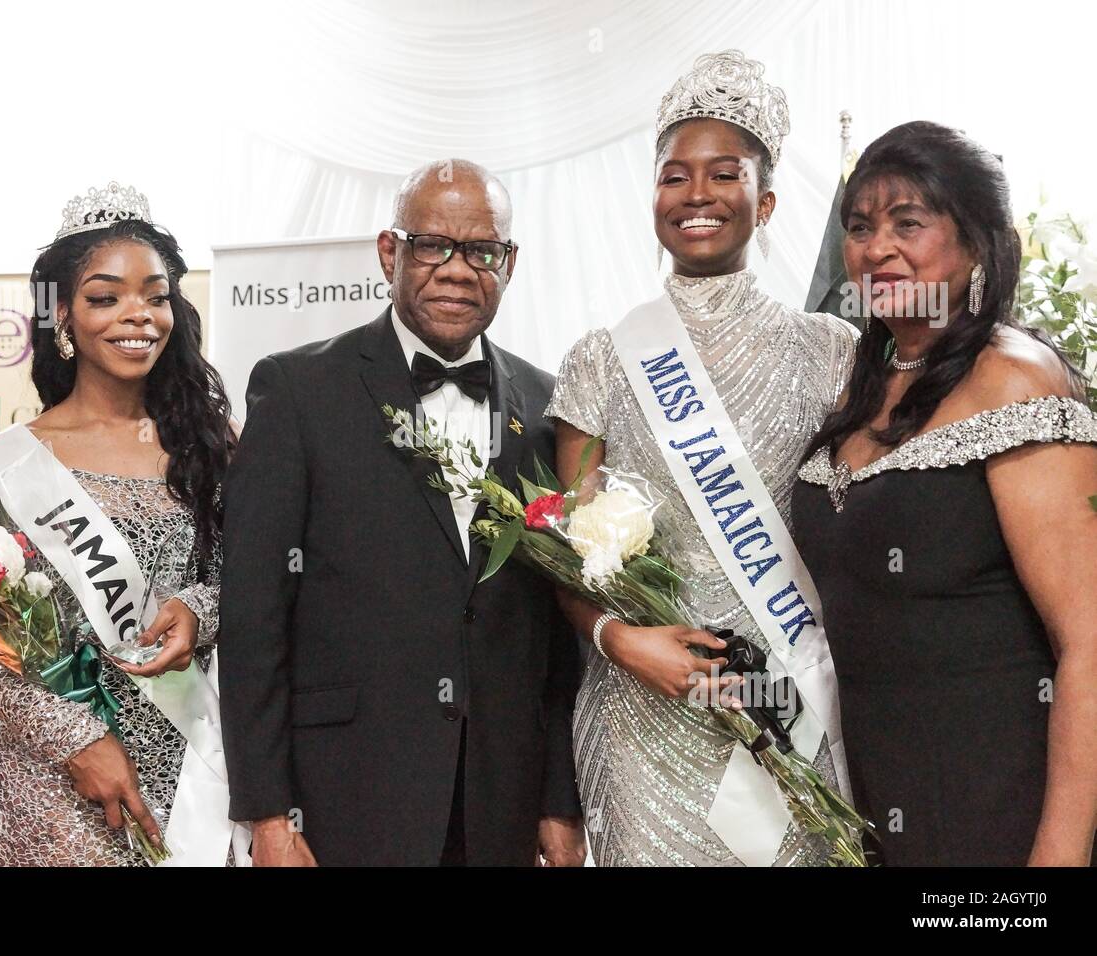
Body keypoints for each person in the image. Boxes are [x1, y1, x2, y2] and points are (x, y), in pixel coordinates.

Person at [220, 159, 584, 866]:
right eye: (432, 244)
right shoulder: (297, 390)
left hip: (500, 809)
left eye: (481, 251)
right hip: (341, 799)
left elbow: (558, 640)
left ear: (509, 264)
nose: (456, 269)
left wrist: (559, 799)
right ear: (390, 252)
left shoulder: (549, 407)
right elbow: (253, 615)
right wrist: (265, 811)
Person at [547, 50, 859, 866]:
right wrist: (620, 640)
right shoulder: (602, 359)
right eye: (674, 175)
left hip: (790, 705)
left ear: (766, 200)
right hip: (644, 715)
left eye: (724, 174)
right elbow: (564, 555)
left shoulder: (830, 351)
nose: (696, 196)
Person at [792, 121, 1097, 866]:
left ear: (977, 244)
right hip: (872, 795)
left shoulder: (1015, 381)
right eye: (860, 227)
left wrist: (1055, 861)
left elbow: (1089, 640)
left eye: (909, 222)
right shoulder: (863, 384)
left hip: (996, 795)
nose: (876, 248)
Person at [0, 183, 240, 865]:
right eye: (105, 297)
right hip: (55, 790)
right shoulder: (8, 463)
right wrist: (75, 740)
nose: (136, 315)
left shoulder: (215, 446)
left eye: (156, 294)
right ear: (63, 318)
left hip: (198, 775)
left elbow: (253, 578)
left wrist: (199, 608)